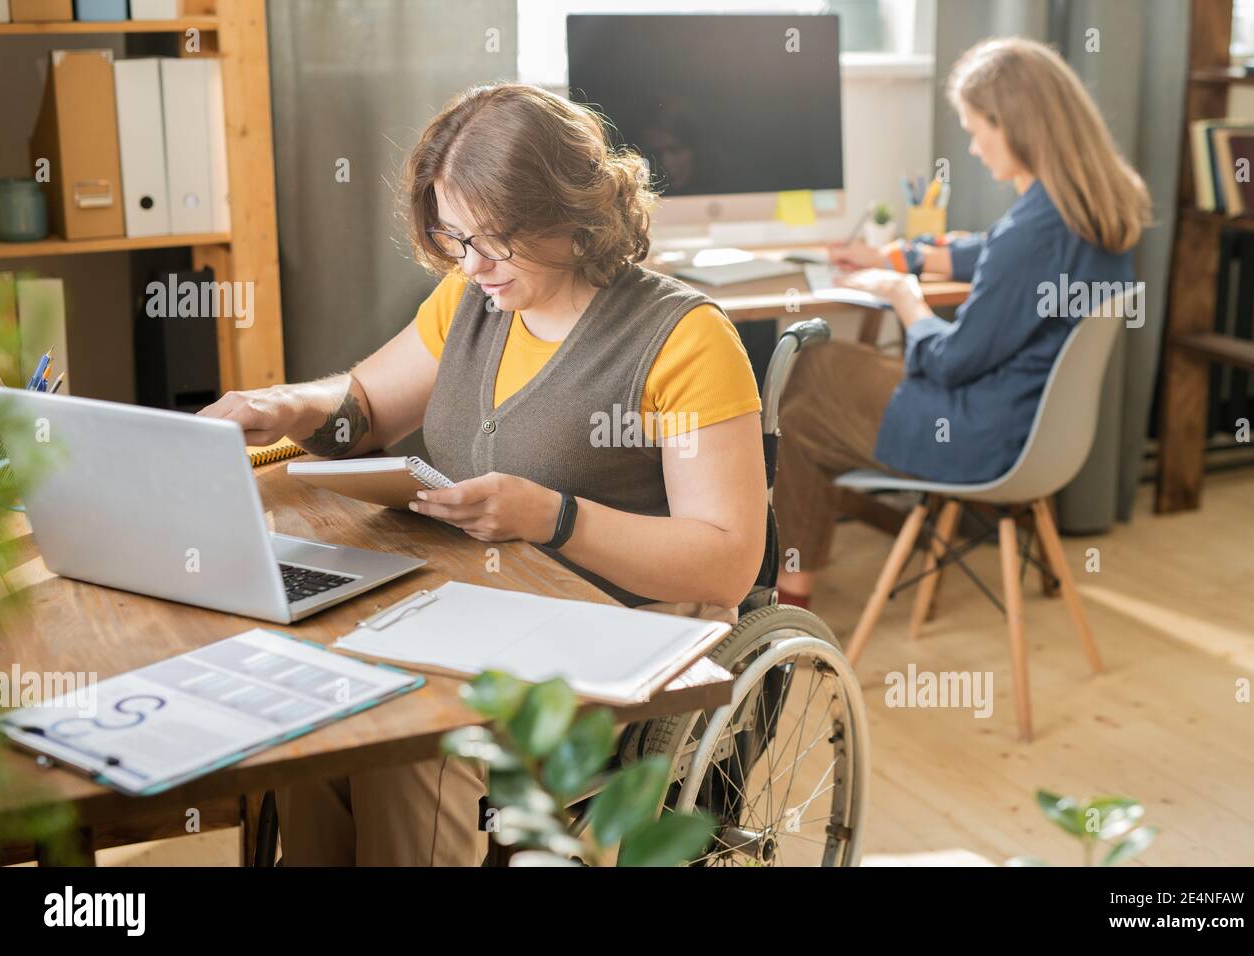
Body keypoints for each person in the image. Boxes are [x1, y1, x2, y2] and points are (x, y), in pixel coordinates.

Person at [198, 83, 766, 865]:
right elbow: (363, 404)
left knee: (408, 744)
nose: (473, 265)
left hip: (618, 632)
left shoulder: (683, 339)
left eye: (492, 240)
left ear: (575, 210)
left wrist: (554, 517)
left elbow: (727, 559)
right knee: (326, 717)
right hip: (462, 613)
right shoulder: (469, 298)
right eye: (455, 239)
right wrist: (291, 406)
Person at [774, 37, 1151, 608]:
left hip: (981, 435)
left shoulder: (1031, 232)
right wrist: (903, 256)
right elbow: (994, 254)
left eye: (976, 131)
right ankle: (789, 596)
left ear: (1015, 124)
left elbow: (951, 361)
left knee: (812, 372)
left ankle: (783, 605)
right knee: (807, 409)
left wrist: (904, 295)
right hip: (1036, 433)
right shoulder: (1094, 206)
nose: (972, 149)